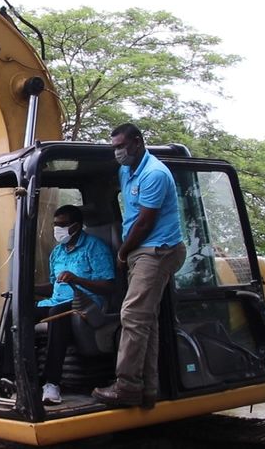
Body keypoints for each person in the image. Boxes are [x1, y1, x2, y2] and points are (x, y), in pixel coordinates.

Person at [92, 123, 186, 409]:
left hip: (157, 250)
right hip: (141, 250)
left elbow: (145, 223)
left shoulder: (154, 173)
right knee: (146, 320)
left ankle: (127, 386)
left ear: (137, 141)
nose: (118, 153)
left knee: (131, 314)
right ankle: (148, 388)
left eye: (121, 146)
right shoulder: (126, 170)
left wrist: (122, 252)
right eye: (114, 148)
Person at [35, 205, 115, 405]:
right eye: (55, 225)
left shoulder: (95, 247)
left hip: (86, 303)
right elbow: (55, 284)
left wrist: (77, 280)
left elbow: (108, 285)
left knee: (57, 313)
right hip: (57, 300)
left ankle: (51, 383)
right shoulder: (57, 253)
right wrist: (29, 287)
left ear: (76, 226)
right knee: (18, 311)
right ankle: (15, 375)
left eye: (62, 225)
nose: (57, 229)